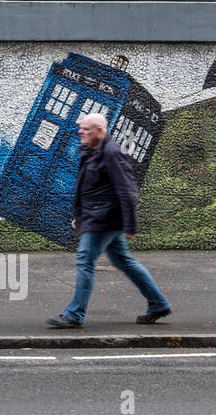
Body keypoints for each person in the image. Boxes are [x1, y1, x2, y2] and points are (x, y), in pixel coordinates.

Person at [46, 112, 171, 328]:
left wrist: (130, 223)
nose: (80, 131)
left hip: (103, 219)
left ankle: (74, 315)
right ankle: (158, 303)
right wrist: (79, 215)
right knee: (124, 262)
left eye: (85, 129)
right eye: (81, 128)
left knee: (85, 261)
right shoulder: (91, 151)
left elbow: (127, 190)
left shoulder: (111, 153)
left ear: (100, 131)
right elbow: (87, 187)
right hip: (96, 217)